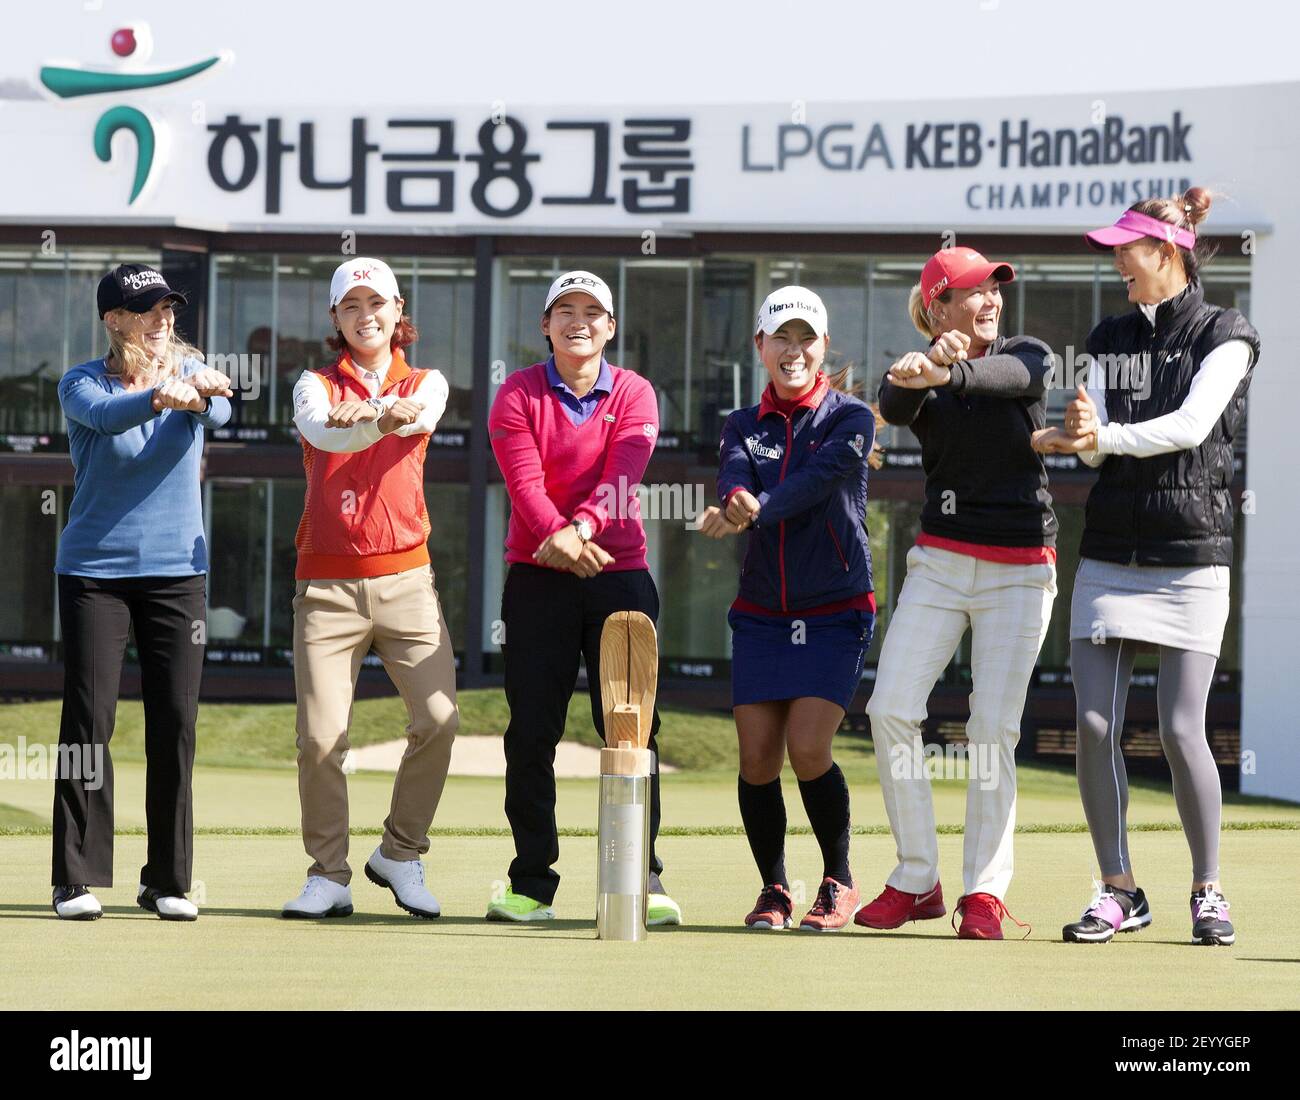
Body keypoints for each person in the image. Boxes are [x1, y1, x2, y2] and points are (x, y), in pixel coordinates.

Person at [1033, 189, 1260, 947]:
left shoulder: (1228, 334)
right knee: (1093, 724)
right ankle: (1119, 889)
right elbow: (1098, 443)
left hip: (1192, 557)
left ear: (1166, 252)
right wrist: (1079, 439)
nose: (1116, 263)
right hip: (1109, 551)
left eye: (1126, 250)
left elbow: (1193, 427)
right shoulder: (1107, 336)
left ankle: (1208, 889)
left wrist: (1106, 436)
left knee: (1180, 729)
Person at [862, 246, 1058, 940]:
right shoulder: (920, 366)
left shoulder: (1024, 353)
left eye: (995, 290)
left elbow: (1016, 376)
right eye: (973, 292)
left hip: (1019, 566)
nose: (990, 301)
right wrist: (920, 371)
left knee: (991, 729)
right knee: (890, 707)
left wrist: (950, 367)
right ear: (938, 305)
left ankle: (983, 894)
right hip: (942, 562)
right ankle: (918, 877)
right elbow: (893, 401)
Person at [485, 270, 681, 926]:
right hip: (537, 577)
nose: (578, 320)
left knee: (632, 729)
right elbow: (523, 482)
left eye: (592, 311)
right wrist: (561, 540)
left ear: (610, 326)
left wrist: (580, 534)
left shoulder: (636, 392)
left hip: (619, 574)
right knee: (531, 732)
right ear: (545, 325)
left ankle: (641, 878)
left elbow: (623, 474)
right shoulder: (516, 392)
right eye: (564, 310)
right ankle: (532, 883)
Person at [52, 263, 233, 921]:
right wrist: (165, 396)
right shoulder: (81, 381)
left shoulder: (194, 374)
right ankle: (75, 877)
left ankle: (167, 881)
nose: (162, 320)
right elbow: (103, 417)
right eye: (147, 309)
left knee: (176, 724)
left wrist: (205, 388)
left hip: (177, 577)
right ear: (114, 320)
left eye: (168, 309)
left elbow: (222, 406)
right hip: (94, 575)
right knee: (89, 721)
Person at [281, 258, 459, 921]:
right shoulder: (312, 384)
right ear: (336, 318)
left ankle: (400, 854)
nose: (366, 315)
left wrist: (383, 410)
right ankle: (328, 875)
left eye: (376, 303)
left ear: (397, 309)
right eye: (351, 305)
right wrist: (380, 413)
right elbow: (321, 430)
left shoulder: (430, 380)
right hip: (325, 586)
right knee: (322, 738)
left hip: (407, 581)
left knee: (441, 718)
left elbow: (420, 417)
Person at [698, 286, 878, 931]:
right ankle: (774, 890)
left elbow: (814, 483)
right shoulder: (741, 423)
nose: (794, 350)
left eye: (807, 338)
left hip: (836, 609)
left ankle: (838, 880)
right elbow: (733, 473)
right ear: (761, 348)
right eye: (782, 338)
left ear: (823, 347)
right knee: (755, 757)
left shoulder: (852, 418)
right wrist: (738, 498)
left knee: (808, 747)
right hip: (762, 614)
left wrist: (759, 506)